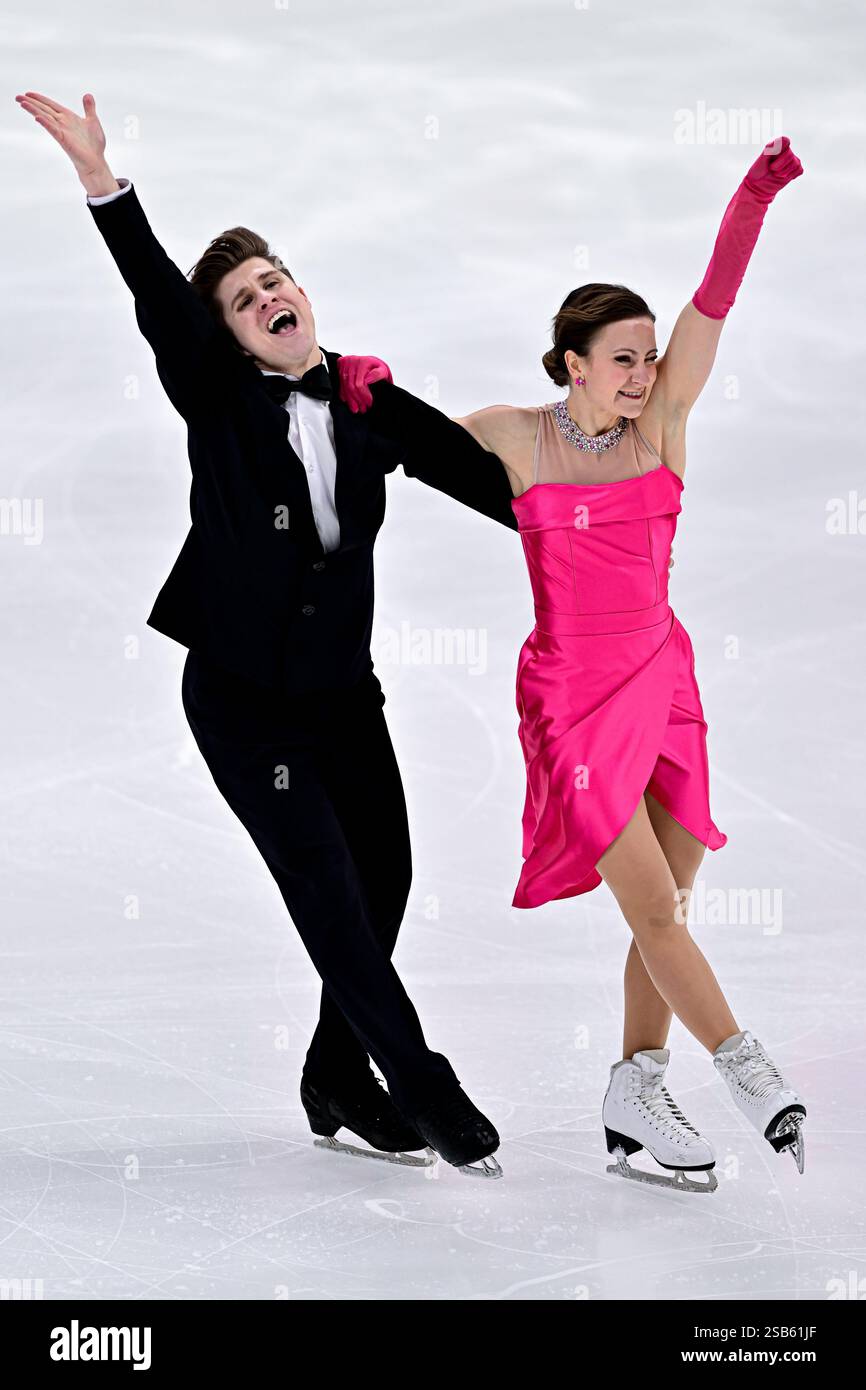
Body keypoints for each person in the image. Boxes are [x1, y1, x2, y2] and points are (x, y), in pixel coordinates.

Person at [14, 88, 521, 1179]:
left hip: (342, 693)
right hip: (244, 699)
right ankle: (418, 1084)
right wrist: (106, 183)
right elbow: (159, 298)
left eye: (272, 280)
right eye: (244, 299)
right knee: (328, 894)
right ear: (232, 332)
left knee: (383, 878)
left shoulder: (363, 399)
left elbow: (482, 481)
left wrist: (598, 524)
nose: (265, 297)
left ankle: (334, 1075)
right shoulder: (219, 397)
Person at [338, 136, 808, 1190]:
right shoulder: (515, 438)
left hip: (664, 683)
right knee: (646, 910)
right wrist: (364, 394)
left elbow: (712, 301)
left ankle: (633, 1087)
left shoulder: (660, 429)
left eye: (648, 354)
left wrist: (752, 193)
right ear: (571, 365)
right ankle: (746, 1068)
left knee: (666, 912)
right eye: (624, 357)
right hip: (572, 702)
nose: (645, 373)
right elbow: (406, 447)